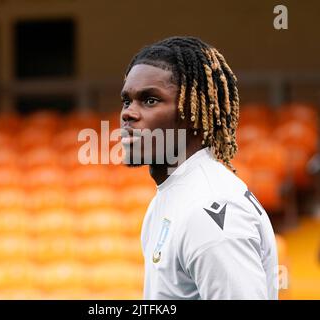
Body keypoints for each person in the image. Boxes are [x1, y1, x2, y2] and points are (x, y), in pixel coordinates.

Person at [119, 36, 278, 299]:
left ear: (192, 114)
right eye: (127, 101)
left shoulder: (208, 209)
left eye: (149, 100)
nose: (128, 113)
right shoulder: (172, 196)